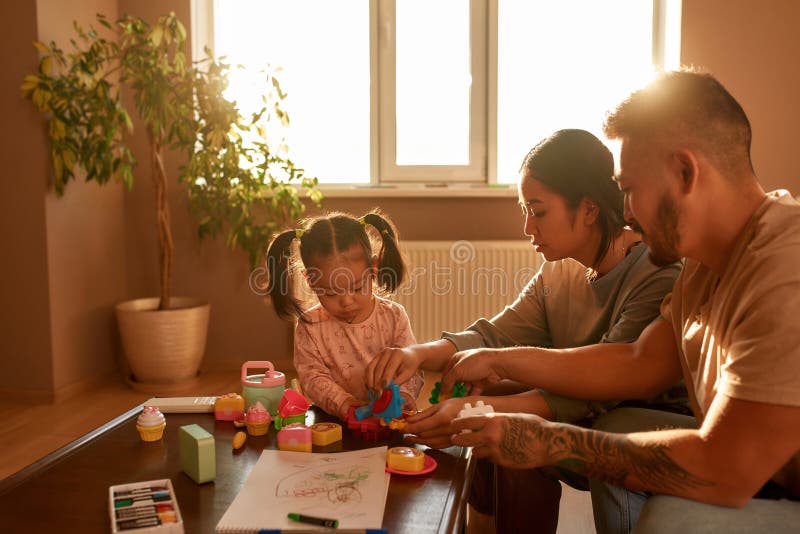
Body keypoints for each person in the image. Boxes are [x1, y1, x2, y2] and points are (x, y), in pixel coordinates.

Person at [442, 69, 800, 533]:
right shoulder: (704, 268)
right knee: (618, 425)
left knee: (658, 500)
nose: (625, 211)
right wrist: (498, 359)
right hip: (762, 475)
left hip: (758, 481)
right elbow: (637, 361)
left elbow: (725, 469)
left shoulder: (784, 266)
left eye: (629, 189)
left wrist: (551, 442)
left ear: (685, 173)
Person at [366, 129, 684, 533]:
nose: (527, 227)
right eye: (524, 210)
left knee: (497, 418)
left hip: (633, 423)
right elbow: (495, 335)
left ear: (589, 208)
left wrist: (473, 409)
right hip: (585, 410)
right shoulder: (559, 271)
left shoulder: (655, 272)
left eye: (538, 211)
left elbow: (604, 391)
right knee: (493, 414)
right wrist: (417, 354)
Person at [265, 210, 423, 420]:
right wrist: (343, 402)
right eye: (331, 293)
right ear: (310, 281)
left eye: (357, 288)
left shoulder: (393, 316)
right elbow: (312, 377)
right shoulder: (310, 325)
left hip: (389, 418)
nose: (347, 302)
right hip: (333, 421)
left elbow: (411, 366)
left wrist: (404, 395)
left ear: (373, 268)